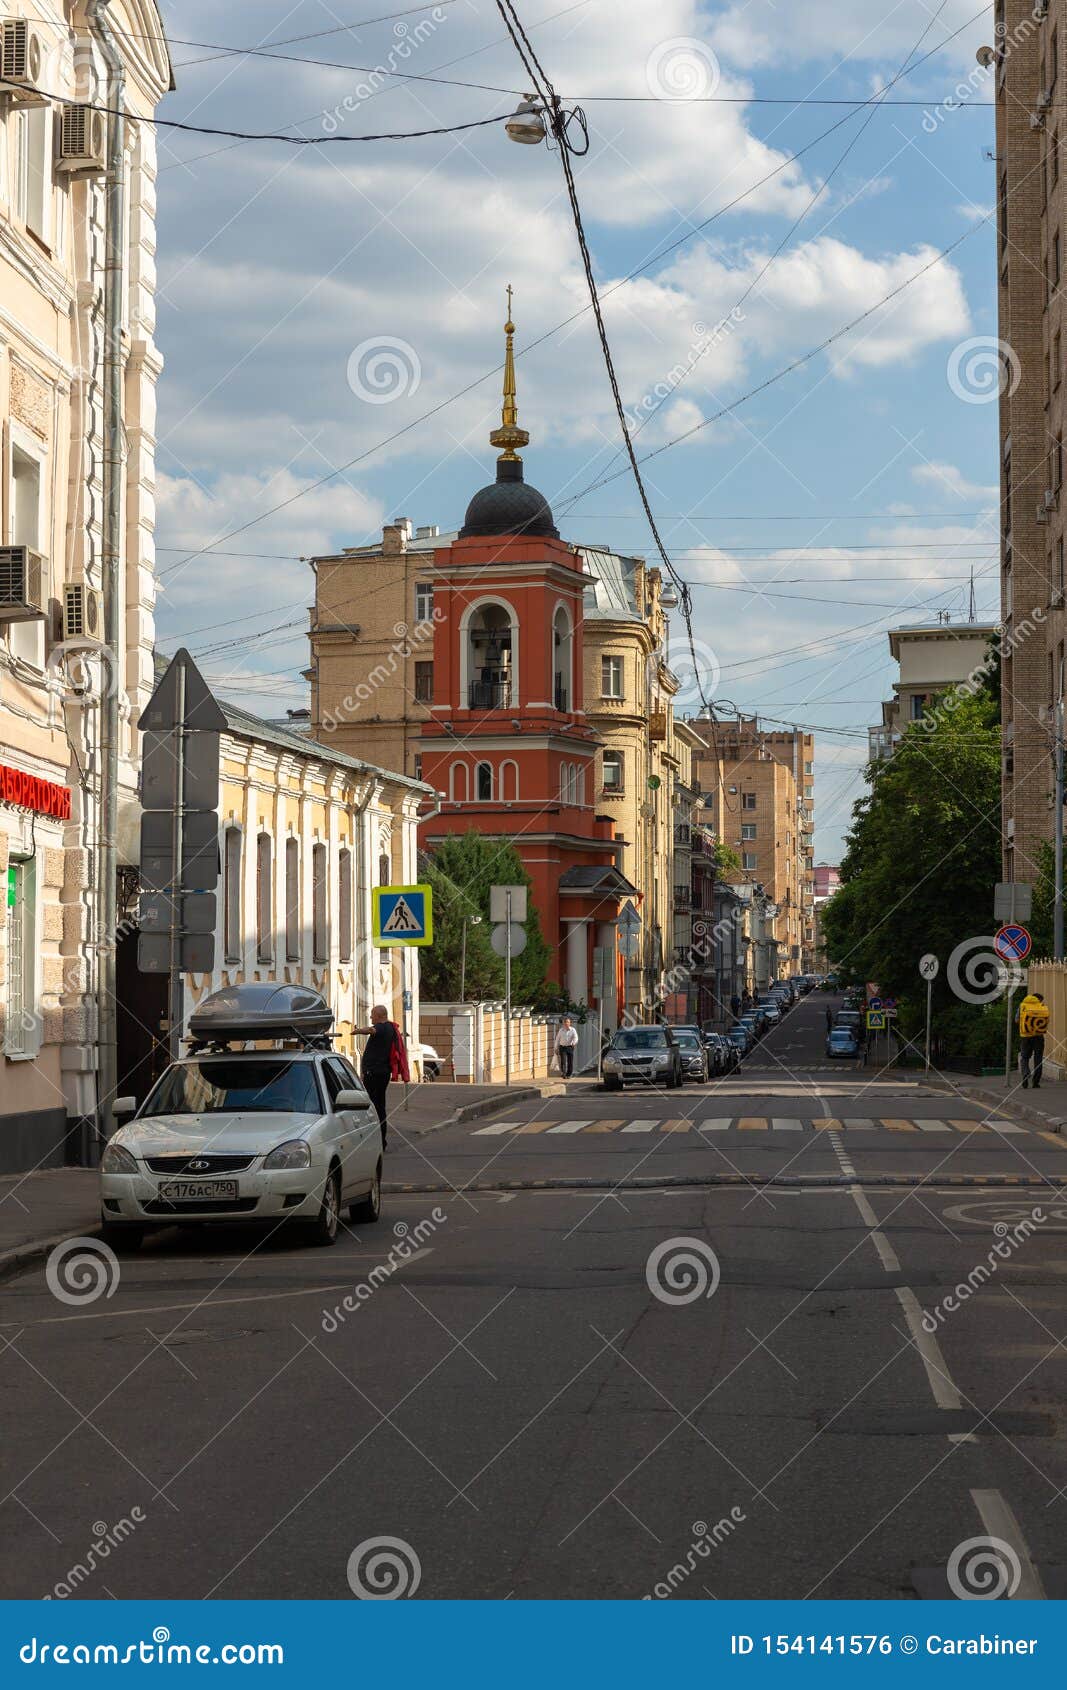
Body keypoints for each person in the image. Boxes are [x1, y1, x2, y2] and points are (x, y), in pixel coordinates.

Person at [356, 1004, 409, 1148]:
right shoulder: (391, 1028)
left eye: (372, 1014)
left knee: (373, 1107)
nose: (370, 1017)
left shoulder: (381, 1027)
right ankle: (381, 1140)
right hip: (382, 1073)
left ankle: (377, 1140)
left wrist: (359, 1031)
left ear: (379, 1016)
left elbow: (371, 1030)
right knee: (379, 1105)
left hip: (374, 1074)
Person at [1017, 991, 1050, 1089]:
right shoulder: (1042, 1006)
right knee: (1038, 1058)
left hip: (1025, 1036)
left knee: (1024, 1057)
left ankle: (1025, 1074)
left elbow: (1016, 1020)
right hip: (1038, 1036)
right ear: (1038, 999)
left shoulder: (1022, 1006)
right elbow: (1046, 1020)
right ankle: (1036, 1082)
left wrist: (1025, 1023)